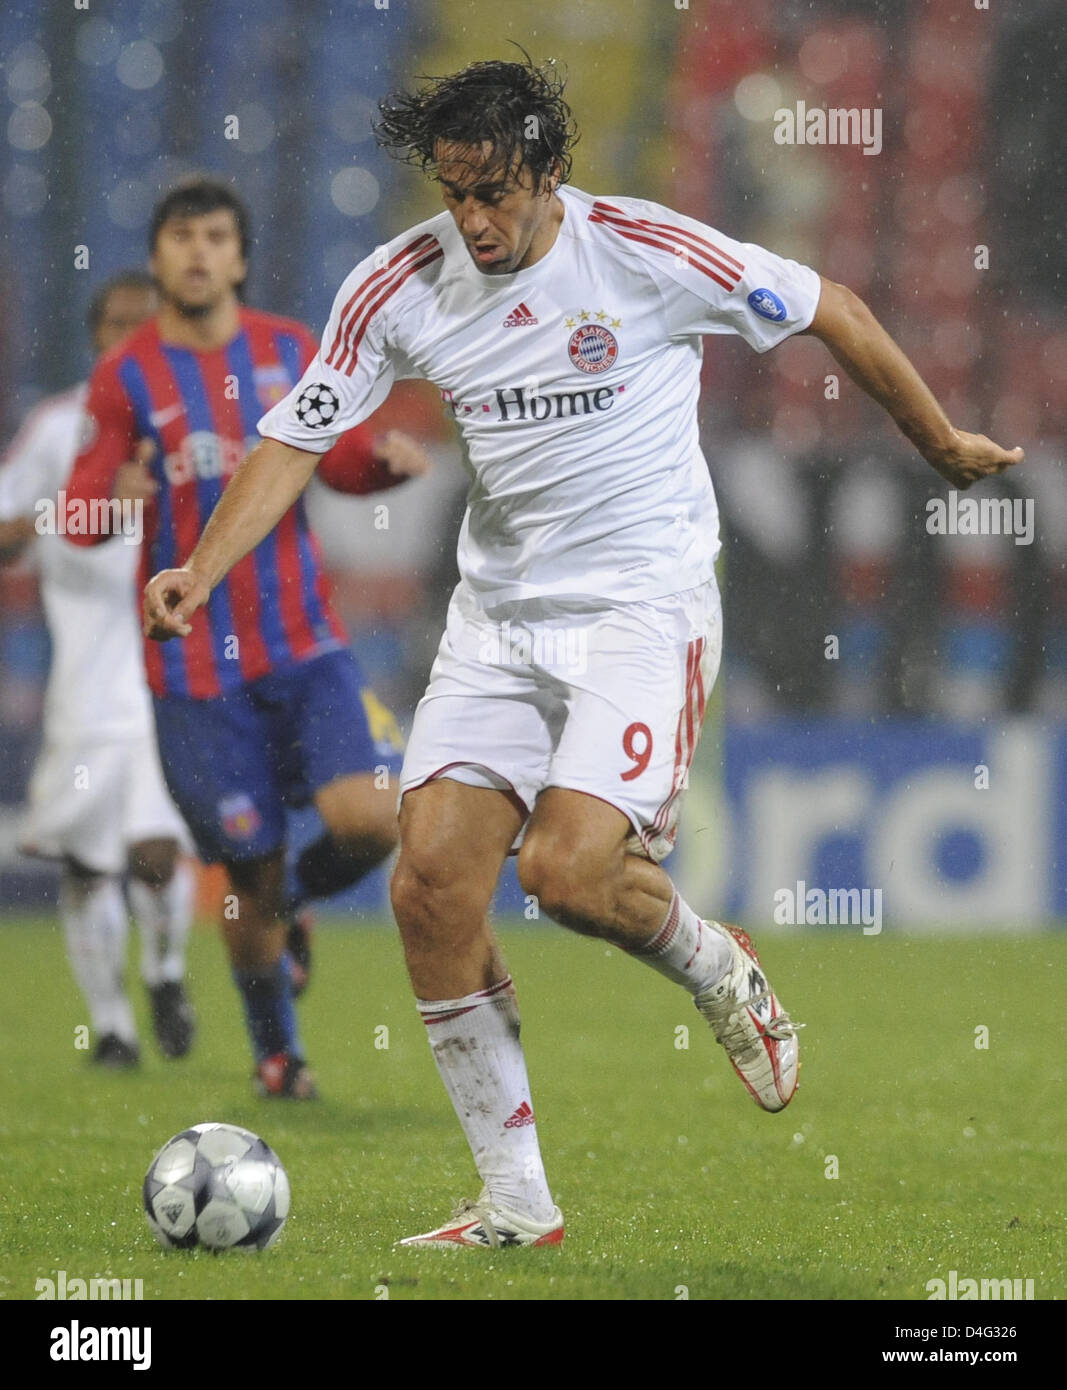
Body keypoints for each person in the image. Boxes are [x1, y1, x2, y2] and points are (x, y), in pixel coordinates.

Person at [141, 59, 1023, 1238]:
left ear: (550, 171)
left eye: (494, 191)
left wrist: (938, 441)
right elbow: (296, 436)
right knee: (430, 884)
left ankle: (712, 964)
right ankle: (515, 1201)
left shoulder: (649, 254)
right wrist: (201, 568)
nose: (473, 219)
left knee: (564, 874)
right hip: (496, 619)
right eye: (454, 193)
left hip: (639, 608)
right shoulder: (397, 282)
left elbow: (829, 307)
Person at [65, 177, 430, 1098]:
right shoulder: (126, 376)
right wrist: (119, 499)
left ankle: (290, 909)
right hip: (192, 668)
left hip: (304, 643)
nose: (196, 253)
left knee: (370, 821)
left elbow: (332, 458)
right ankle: (279, 1055)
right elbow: (75, 513)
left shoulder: (288, 349)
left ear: (240, 256)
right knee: (246, 864)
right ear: (157, 259)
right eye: (180, 237)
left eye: (215, 237)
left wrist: (378, 466)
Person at [0, 270, 195, 1068]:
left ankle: (166, 972)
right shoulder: (57, 428)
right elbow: (8, 533)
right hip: (84, 678)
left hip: (171, 670)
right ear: (95, 337)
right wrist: (81, 506)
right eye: (115, 325)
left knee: (155, 847)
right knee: (85, 861)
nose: (128, 338)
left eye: (143, 325)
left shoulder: (192, 427)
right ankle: (112, 1028)